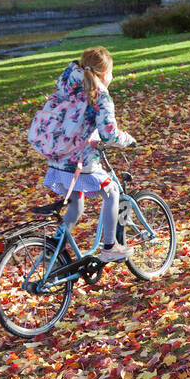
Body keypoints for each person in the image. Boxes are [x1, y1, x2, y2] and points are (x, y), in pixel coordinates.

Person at [28, 46, 135, 262]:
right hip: (79, 163)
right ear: (104, 74)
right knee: (112, 193)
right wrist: (127, 140)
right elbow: (109, 134)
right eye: (112, 72)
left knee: (76, 206)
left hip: (57, 160)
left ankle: (52, 251)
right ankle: (110, 247)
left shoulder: (68, 85)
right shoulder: (99, 94)